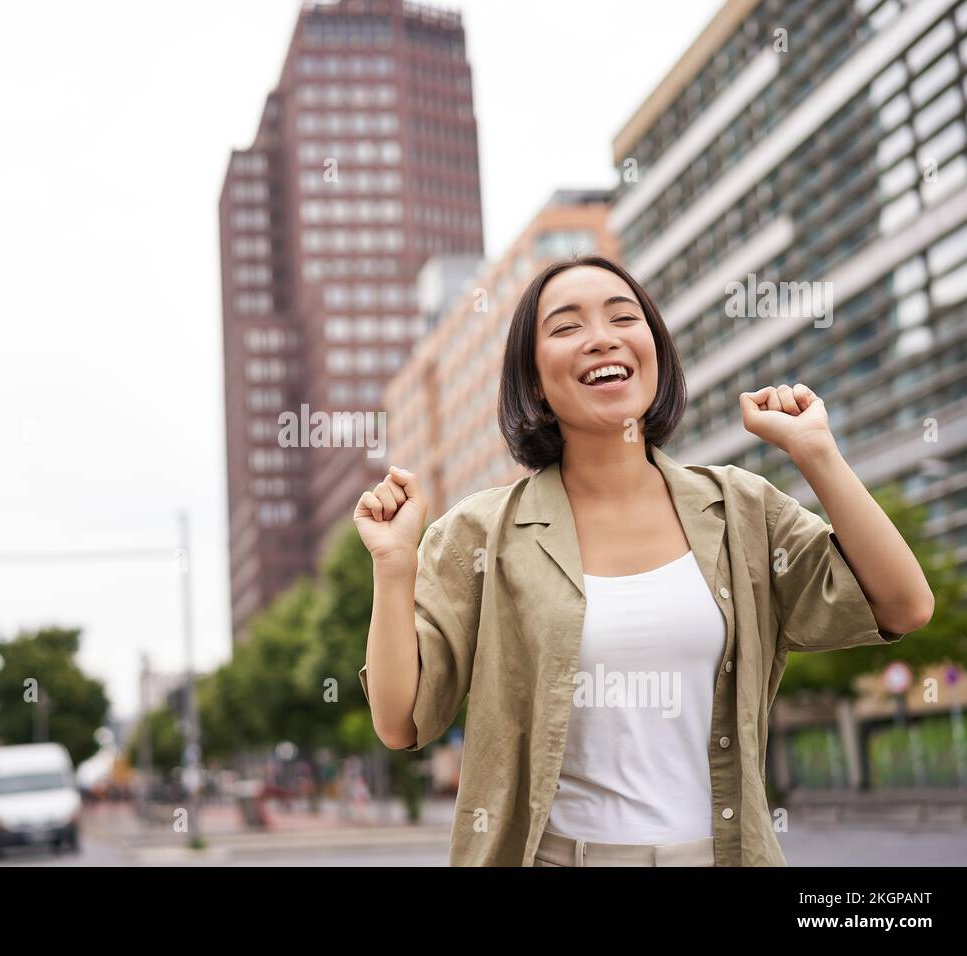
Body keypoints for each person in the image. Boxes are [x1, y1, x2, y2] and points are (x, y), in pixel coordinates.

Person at [353, 253, 934, 867]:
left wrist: (816, 453)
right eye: (566, 326)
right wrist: (395, 567)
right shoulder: (480, 533)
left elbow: (903, 605)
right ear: (534, 381)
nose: (601, 338)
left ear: (654, 350)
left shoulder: (741, 510)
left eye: (623, 317)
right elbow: (401, 721)